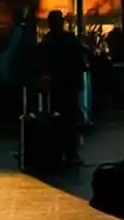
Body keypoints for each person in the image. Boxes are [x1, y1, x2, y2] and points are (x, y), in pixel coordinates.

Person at [35, 10, 86, 165]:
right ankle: (70, 152)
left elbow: (42, 62)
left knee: (56, 119)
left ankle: (57, 151)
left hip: (55, 86)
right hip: (68, 85)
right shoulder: (70, 40)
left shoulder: (47, 41)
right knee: (70, 120)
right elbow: (79, 61)